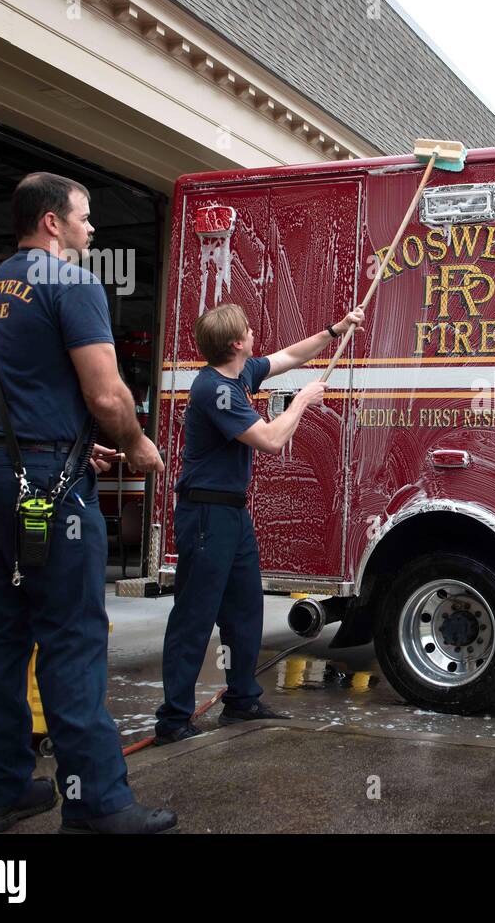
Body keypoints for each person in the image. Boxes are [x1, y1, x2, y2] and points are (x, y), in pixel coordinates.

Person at [0, 172, 176, 833]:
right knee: (73, 638)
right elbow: (107, 395)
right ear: (52, 222)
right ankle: (96, 803)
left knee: (4, 632)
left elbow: (22, 392)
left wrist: (80, 449)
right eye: (84, 218)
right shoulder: (72, 284)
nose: (91, 229)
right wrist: (135, 444)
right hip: (44, 486)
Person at [154, 302, 364, 743]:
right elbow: (270, 439)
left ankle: (242, 699)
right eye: (249, 329)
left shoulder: (239, 373)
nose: (255, 333)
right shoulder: (217, 391)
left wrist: (334, 328)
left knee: (245, 609)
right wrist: (303, 401)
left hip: (232, 514)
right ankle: (173, 719)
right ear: (236, 343)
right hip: (207, 515)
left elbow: (288, 357)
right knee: (194, 616)